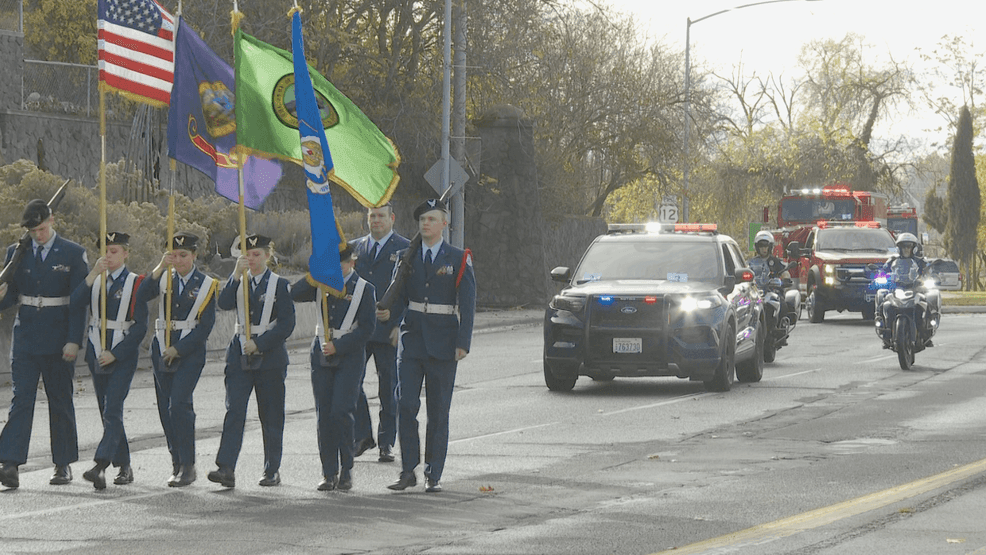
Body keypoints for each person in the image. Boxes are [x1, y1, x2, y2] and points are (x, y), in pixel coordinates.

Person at [378, 198, 476, 493]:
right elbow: (399, 295)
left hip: (444, 343)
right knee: (405, 405)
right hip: (412, 341)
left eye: (431, 219)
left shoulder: (458, 258)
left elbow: (468, 303)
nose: (425, 224)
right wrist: (389, 317)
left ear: (444, 224)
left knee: (438, 411)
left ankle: (434, 472)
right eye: (422, 220)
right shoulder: (406, 256)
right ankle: (408, 470)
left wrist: (463, 342)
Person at [0, 199, 88, 490]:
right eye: (33, 230)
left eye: (41, 228)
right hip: (25, 335)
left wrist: (74, 340)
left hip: (58, 335)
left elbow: (78, 301)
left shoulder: (73, 254)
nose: (38, 235)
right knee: (21, 399)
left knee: (59, 400)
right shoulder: (17, 252)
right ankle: (10, 463)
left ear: (52, 220)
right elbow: (12, 296)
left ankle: (62, 463)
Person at [208, 234, 295, 488]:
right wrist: (234, 275)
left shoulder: (279, 285)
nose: (252, 259)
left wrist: (261, 343)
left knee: (270, 415)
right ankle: (226, 468)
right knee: (234, 409)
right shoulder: (240, 281)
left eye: (257, 254)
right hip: (239, 355)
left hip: (270, 357)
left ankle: (271, 469)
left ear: (267, 256)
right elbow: (223, 304)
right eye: (248, 255)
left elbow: (287, 324)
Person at [135, 231, 217, 487]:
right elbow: (142, 294)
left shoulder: (206, 285)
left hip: (189, 351)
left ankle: (189, 465)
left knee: (179, 405)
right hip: (161, 348)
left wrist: (179, 349)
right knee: (165, 408)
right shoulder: (164, 279)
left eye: (184, 255)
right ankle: (176, 461)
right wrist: (160, 266)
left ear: (194, 255)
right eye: (175, 255)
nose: (179, 260)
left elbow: (205, 327)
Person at [291, 244, 376, 491]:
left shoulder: (364, 289)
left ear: (352, 263)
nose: (338, 269)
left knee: (341, 411)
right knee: (324, 415)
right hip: (321, 355)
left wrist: (339, 346)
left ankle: (346, 468)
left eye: (342, 265)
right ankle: (329, 472)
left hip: (349, 355)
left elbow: (367, 328)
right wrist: (313, 274)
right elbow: (293, 294)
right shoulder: (321, 283)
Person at [71, 232, 148, 490]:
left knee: (113, 408)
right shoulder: (95, 279)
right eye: (105, 250)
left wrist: (116, 353)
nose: (109, 255)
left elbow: (140, 327)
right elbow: (75, 302)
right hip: (96, 351)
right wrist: (92, 274)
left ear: (126, 253)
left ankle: (100, 465)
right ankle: (124, 464)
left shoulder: (136, 283)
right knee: (107, 412)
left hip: (121, 355)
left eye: (115, 250)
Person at [350, 203, 409, 463]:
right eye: (372, 216)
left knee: (389, 388)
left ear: (392, 218)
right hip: (358, 329)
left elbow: (411, 290)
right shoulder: (353, 248)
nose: (376, 220)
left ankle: (387, 442)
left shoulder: (405, 248)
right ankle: (362, 435)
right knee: (350, 382)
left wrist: (398, 319)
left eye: (381, 216)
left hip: (388, 330)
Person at [876, 232, 935, 347]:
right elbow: (884, 270)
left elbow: (928, 270)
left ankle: (927, 332)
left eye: (909, 246)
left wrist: (930, 274)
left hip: (915, 289)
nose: (906, 249)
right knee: (885, 305)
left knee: (925, 304)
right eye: (904, 246)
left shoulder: (920, 261)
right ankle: (886, 334)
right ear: (899, 248)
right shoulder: (892, 260)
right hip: (896, 289)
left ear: (914, 248)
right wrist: (880, 275)